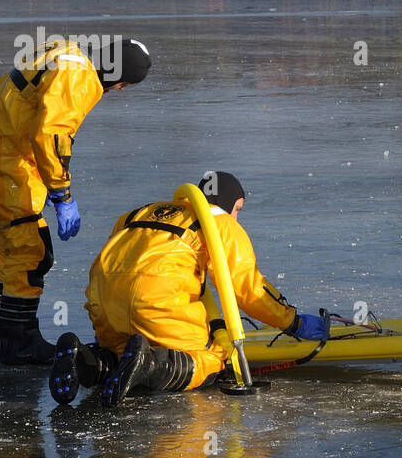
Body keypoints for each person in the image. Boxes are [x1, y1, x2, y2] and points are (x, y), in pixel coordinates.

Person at [49, 171, 328, 407]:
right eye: (238, 209)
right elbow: (248, 289)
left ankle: (86, 361)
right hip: (156, 301)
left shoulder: (140, 212)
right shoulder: (219, 223)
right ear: (227, 203)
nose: (237, 217)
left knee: (120, 352)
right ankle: (151, 365)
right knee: (215, 357)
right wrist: (293, 322)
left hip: (104, 301)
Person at [0, 35, 151, 365]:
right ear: (118, 76)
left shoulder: (66, 52)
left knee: (6, 244)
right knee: (32, 250)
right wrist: (62, 194)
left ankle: (2, 332)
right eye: (124, 84)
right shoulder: (78, 78)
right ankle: (19, 340)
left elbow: (31, 112)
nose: (119, 90)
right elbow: (52, 136)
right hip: (5, 164)